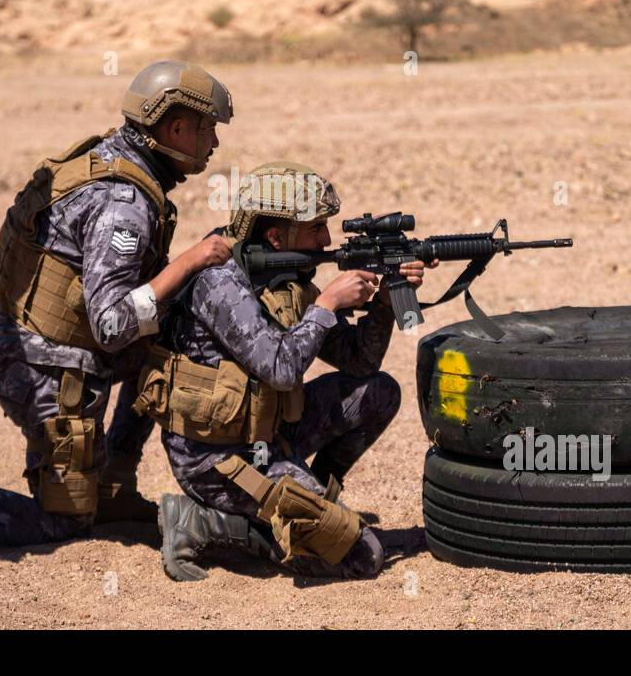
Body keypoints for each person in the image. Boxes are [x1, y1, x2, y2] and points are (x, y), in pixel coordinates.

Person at [0, 62, 235, 545]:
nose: (214, 143)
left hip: (42, 341)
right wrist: (191, 262)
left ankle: (114, 483)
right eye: (207, 129)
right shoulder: (124, 202)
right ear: (176, 127)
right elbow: (113, 326)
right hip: (45, 367)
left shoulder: (109, 158)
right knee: (63, 524)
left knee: (175, 334)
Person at [142, 162, 429, 580]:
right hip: (217, 459)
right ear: (277, 236)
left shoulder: (284, 277)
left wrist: (386, 302)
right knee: (361, 557)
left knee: (379, 392)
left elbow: (359, 362)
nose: (327, 240)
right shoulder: (221, 284)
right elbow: (280, 369)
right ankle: (204, 519)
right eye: (316, 228)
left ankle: (308, 497)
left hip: (269, 432)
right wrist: (327, 304)